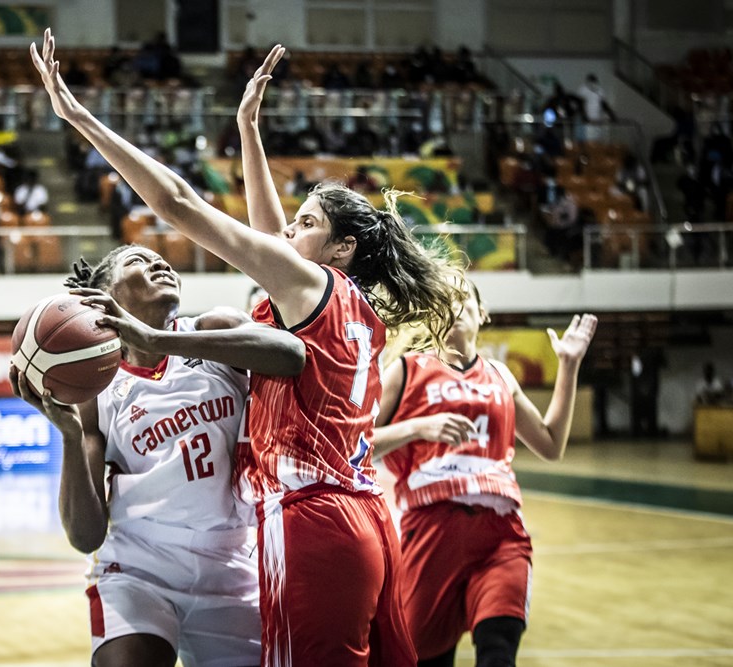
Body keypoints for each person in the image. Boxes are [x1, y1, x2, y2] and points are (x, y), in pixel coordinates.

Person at [31, 33, 464, 664]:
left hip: (309, 516)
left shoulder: (295, 296)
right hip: (365, 511)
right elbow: (270, 238)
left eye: (306, 222)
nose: (289, 229)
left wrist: (78, 117)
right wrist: (248, 129)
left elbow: (179, 204)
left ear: (340, 250)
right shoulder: (340, 303)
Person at [11, 245, 306, 667]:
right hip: (139, 568)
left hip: (233, 563)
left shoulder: (213, 328)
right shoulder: (98, 393)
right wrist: (72, 439)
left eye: (161, 259)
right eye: (137, 261)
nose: (161, 263)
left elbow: (292, 355)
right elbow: (85, 537)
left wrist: (155, 339)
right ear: (104, 294)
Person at [374, 284, 598, 666]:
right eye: (445, 299)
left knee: (499, 649)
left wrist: (569, 365)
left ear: (482, 314)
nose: (455, 306)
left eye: (464, 299)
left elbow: (550, 444)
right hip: (430, 532)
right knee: (428, 658)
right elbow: (356, 443)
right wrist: (418, 428)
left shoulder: (500, 375)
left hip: (501, 533)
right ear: (431, 314)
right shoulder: (407, 370)